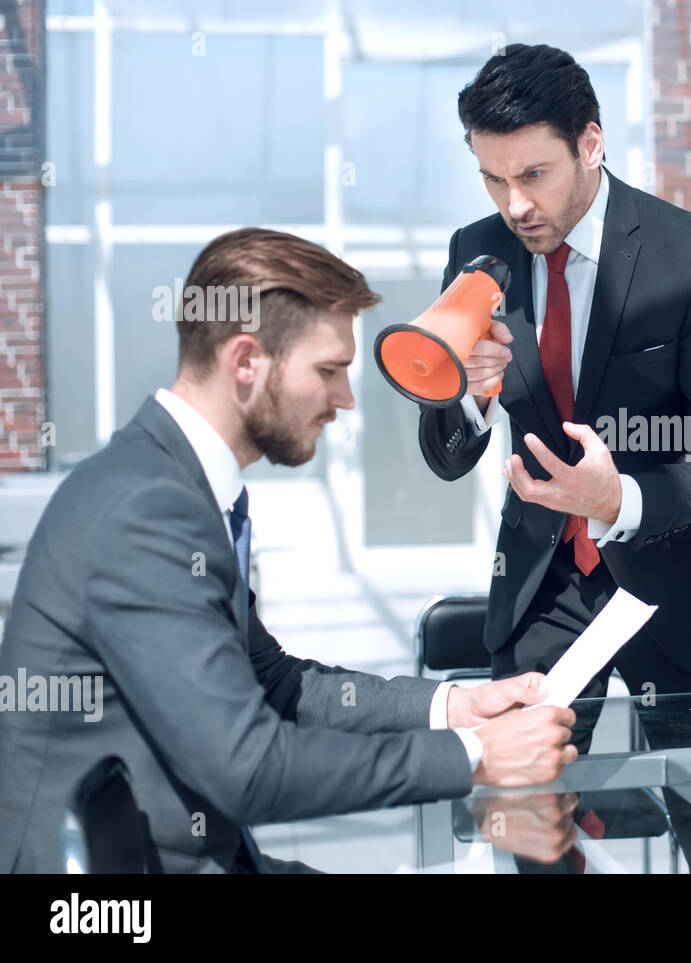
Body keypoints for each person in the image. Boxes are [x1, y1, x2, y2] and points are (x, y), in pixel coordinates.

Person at [0, 228, 576, 874]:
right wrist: (476, 753)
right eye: (329, 370)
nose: (346, 399)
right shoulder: (146, 511)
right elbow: (247, 767)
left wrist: (452, 708)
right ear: (246, 361)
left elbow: (274, 681)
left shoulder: (177, 485)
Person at [413, 43, 691, 872]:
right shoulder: (479, 250)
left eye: (533, 174)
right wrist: (472, 395)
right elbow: (444, 454)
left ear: (591, 144)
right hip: (545, 588)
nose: (515, 203)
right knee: (529, 829)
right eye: (494, 179)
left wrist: (623, 500)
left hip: (682, 586)